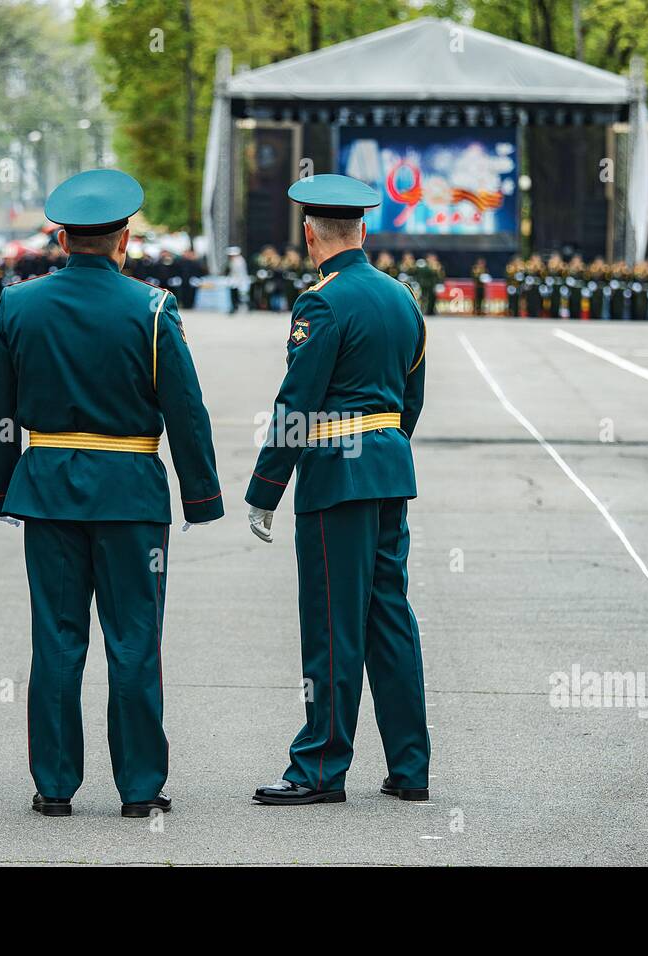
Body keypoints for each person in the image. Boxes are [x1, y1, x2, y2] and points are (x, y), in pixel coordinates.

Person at [0, 170, 224, 818]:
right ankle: (140, 789)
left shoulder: (17, 305)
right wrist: (200, 494)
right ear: (125, 239)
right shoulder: (152, 308)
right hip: (131, 496)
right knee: (134, 639)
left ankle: (54, 786)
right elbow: (185, 408)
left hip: (48, 490)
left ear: (60, 237)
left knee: (56, 640)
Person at [245, 173, 430, 806]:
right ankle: (410, 767)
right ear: (364, 231)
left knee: (331, 626)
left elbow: (298, 400)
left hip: (336, 474)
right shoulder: (403, 298)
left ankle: (320, 768)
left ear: (307, 234)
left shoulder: (320, 303)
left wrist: (266, 486)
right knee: (390, 620)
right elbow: (411, 400)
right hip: (386, 468)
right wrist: (384, 448)